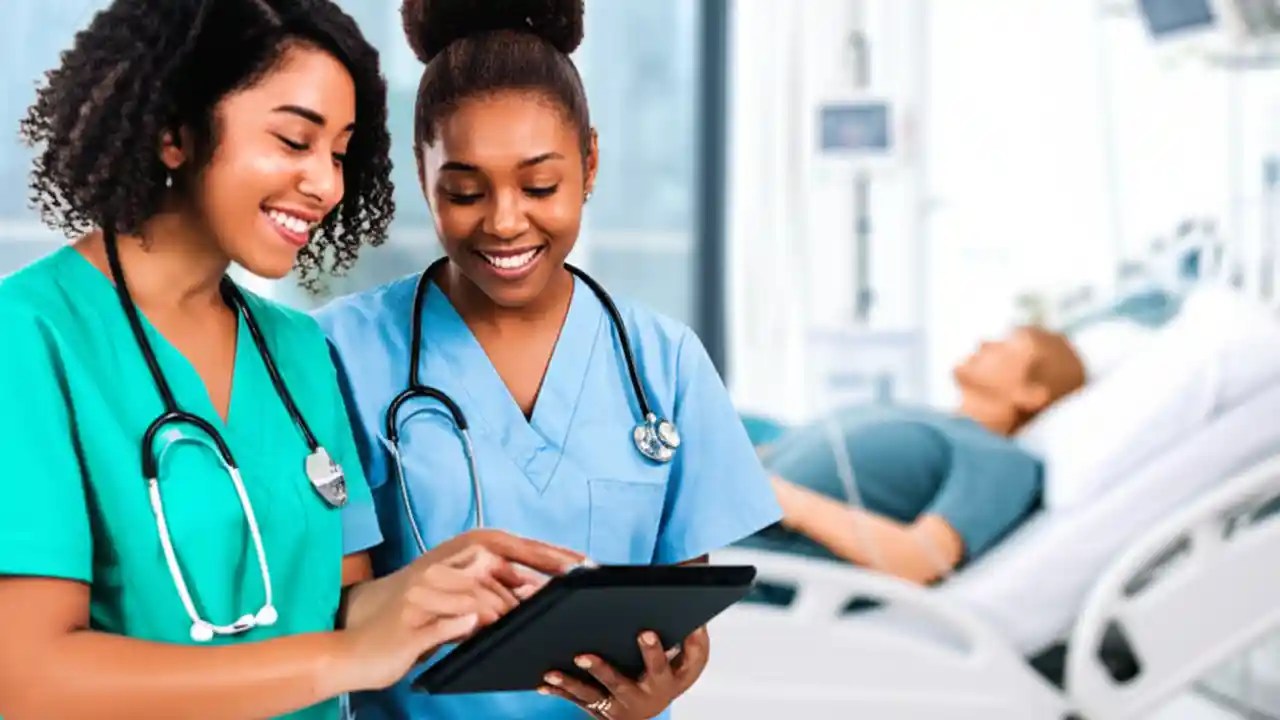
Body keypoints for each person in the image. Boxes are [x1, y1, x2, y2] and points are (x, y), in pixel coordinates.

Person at [0, 2, 580, 718]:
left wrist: (436, 584)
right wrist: (345, 658)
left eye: (338, 153)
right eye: (294, 141)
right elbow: (29, 677)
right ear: (173, 131)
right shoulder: (28, 336)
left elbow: (336, 611)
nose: (328, 185)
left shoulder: (296, 350)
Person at [313, 0, 783, 717]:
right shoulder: (340, 353)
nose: (505, 222)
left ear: (589, 163)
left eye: (540, 187)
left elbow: (677, 614)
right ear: (422, 172)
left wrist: (656, 689)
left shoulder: (664, 362)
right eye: (464, 191)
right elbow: (326, 611)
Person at [739, 326, 1086, 585]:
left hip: (746, 560)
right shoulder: (922, 418)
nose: (984, 343)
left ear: (1032, 393)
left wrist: (783, 500)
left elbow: (920, 559)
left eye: (1006, 346)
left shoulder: (999, 460)